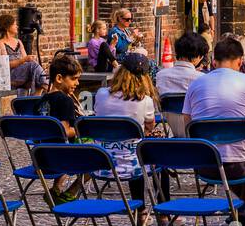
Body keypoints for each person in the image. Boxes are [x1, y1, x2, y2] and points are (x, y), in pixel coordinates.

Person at [182, 36, 245, 221]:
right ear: (241, 61)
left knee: (236, 154)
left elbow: (189, 128)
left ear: (214, 62)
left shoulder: (195, 85)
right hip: (240, 167)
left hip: (205, 166)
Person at [93, 54, 158, 197]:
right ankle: (158, 213)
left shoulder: (101, 94)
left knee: (135, 150)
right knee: (154, 157)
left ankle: (140, 210)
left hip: (102, 162)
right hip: (132, 165)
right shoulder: (145, 101)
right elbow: (150, 127)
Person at [39, 53, 85, 202]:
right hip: (62, 160)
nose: (77, 83)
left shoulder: (42, 100)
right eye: (73, 79)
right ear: (59, 78)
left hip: (42, 158)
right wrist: (82, 129)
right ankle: (71, 193)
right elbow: (65, 131)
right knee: (99, 159)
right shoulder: (65, 101)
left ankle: (56, 189)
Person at [0, 13, 47, 94]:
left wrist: (29, 59)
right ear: (7, 27)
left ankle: (37, 97)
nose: (17, 26)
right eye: (14, 24)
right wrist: (23, 60)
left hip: (22, 74)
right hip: (9, 76)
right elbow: (5, 65)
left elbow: (26, 61)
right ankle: (47, 87)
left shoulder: (18, 42)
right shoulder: (0, 43)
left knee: (34, 67)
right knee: (33, 66)